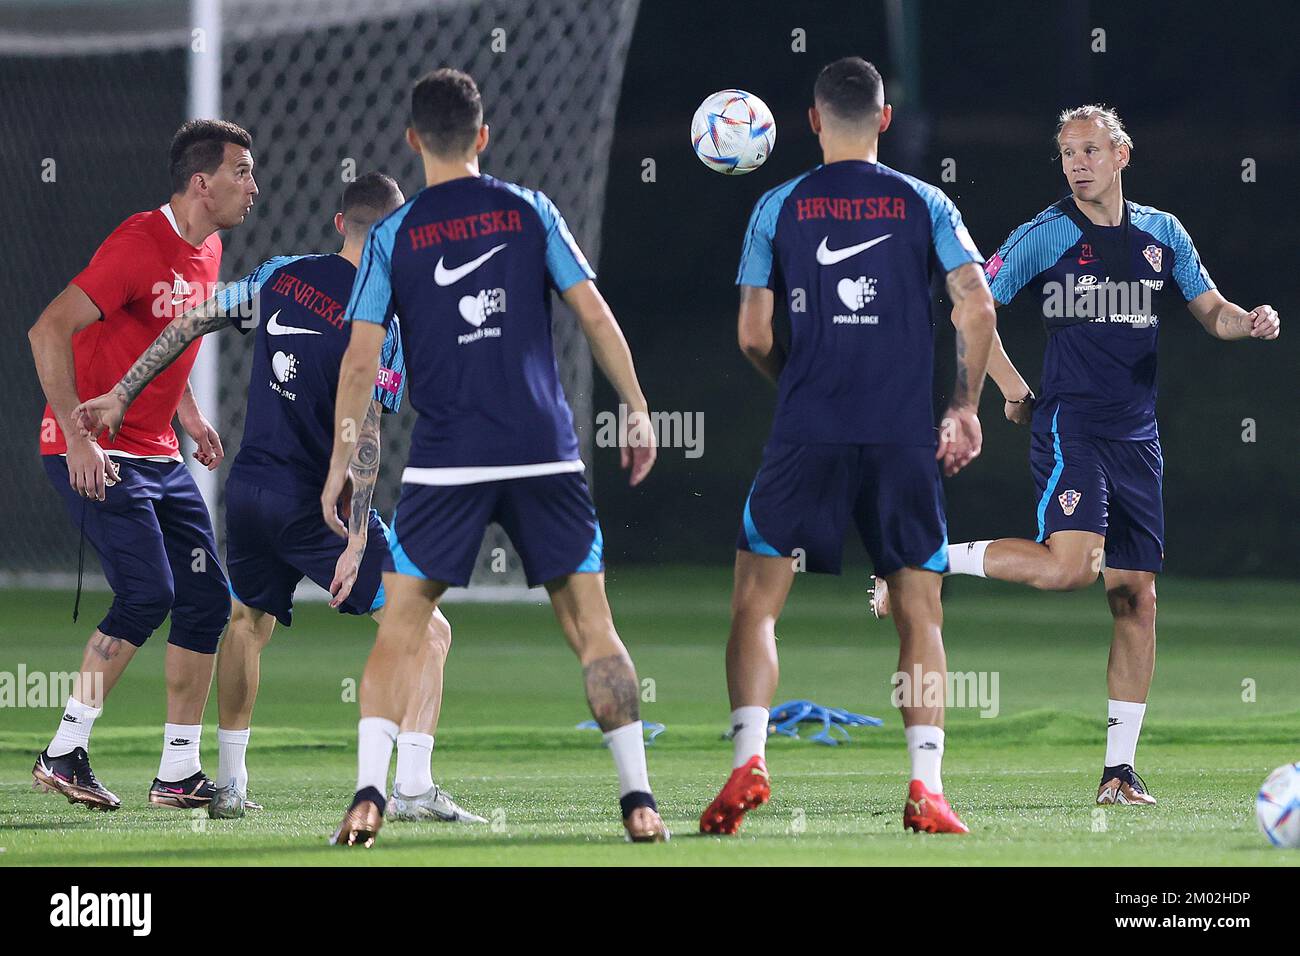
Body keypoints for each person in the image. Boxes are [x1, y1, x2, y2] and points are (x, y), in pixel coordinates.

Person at [870, 105, 1280, 805]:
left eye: (1090, 150)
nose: (1077, 164)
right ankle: (925, 556)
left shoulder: (1162, 233)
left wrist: (1248, 321)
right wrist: (1011, 388)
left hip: (1138, 438)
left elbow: (1211, 310)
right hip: (1073, 426)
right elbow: (972, 305)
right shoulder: (1049, 232)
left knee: (1135, 597)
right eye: (1067, 153)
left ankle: (1118, 773)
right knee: (1070, 570)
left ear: (1122, 155)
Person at [323, 68, 667, 847]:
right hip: (543, 452)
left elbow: (359, 364)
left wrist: (340, 465)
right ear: (483, 135)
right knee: (593, 627)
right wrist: (638, 407)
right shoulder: (531, 210)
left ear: (413, 140)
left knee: (400, 628)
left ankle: (369, 795)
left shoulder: (392, 235)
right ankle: (639, 800)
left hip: (448, 461)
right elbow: (594, 313)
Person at [73, 173, 482, 825]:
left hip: (249, 491)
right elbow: (366, 431)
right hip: (316, 504)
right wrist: (355, 537)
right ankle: (412, 786)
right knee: (430, 630)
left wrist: (123, 392)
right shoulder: (383, 311)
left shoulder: (280, 275)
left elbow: (189, 321)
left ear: (338, 222)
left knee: (247, 624)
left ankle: (230, 783)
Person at [699, 57, 996, 837]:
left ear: (812, 121)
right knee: (920, 612)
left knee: (756, 605)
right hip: (902, 434)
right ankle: (927, 788)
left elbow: (753, 333)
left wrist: (796, 383)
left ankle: (749, 762)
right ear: (885, 120)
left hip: (808, 429)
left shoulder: (776, 205)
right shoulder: (926, 201)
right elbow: (977, 305)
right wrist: (963, 405)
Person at [28, 120, 256, 811]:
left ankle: (177, 772)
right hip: (96, 450)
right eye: (242, 171)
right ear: (201, 182)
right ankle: (63, 750)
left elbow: (168, 339)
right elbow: (47, 328)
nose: (253, 185)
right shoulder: (137, 243)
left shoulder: (210, 247)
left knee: (206, 598)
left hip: (158, 452)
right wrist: (77, 439)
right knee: (148, 592)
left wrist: (188, 414)